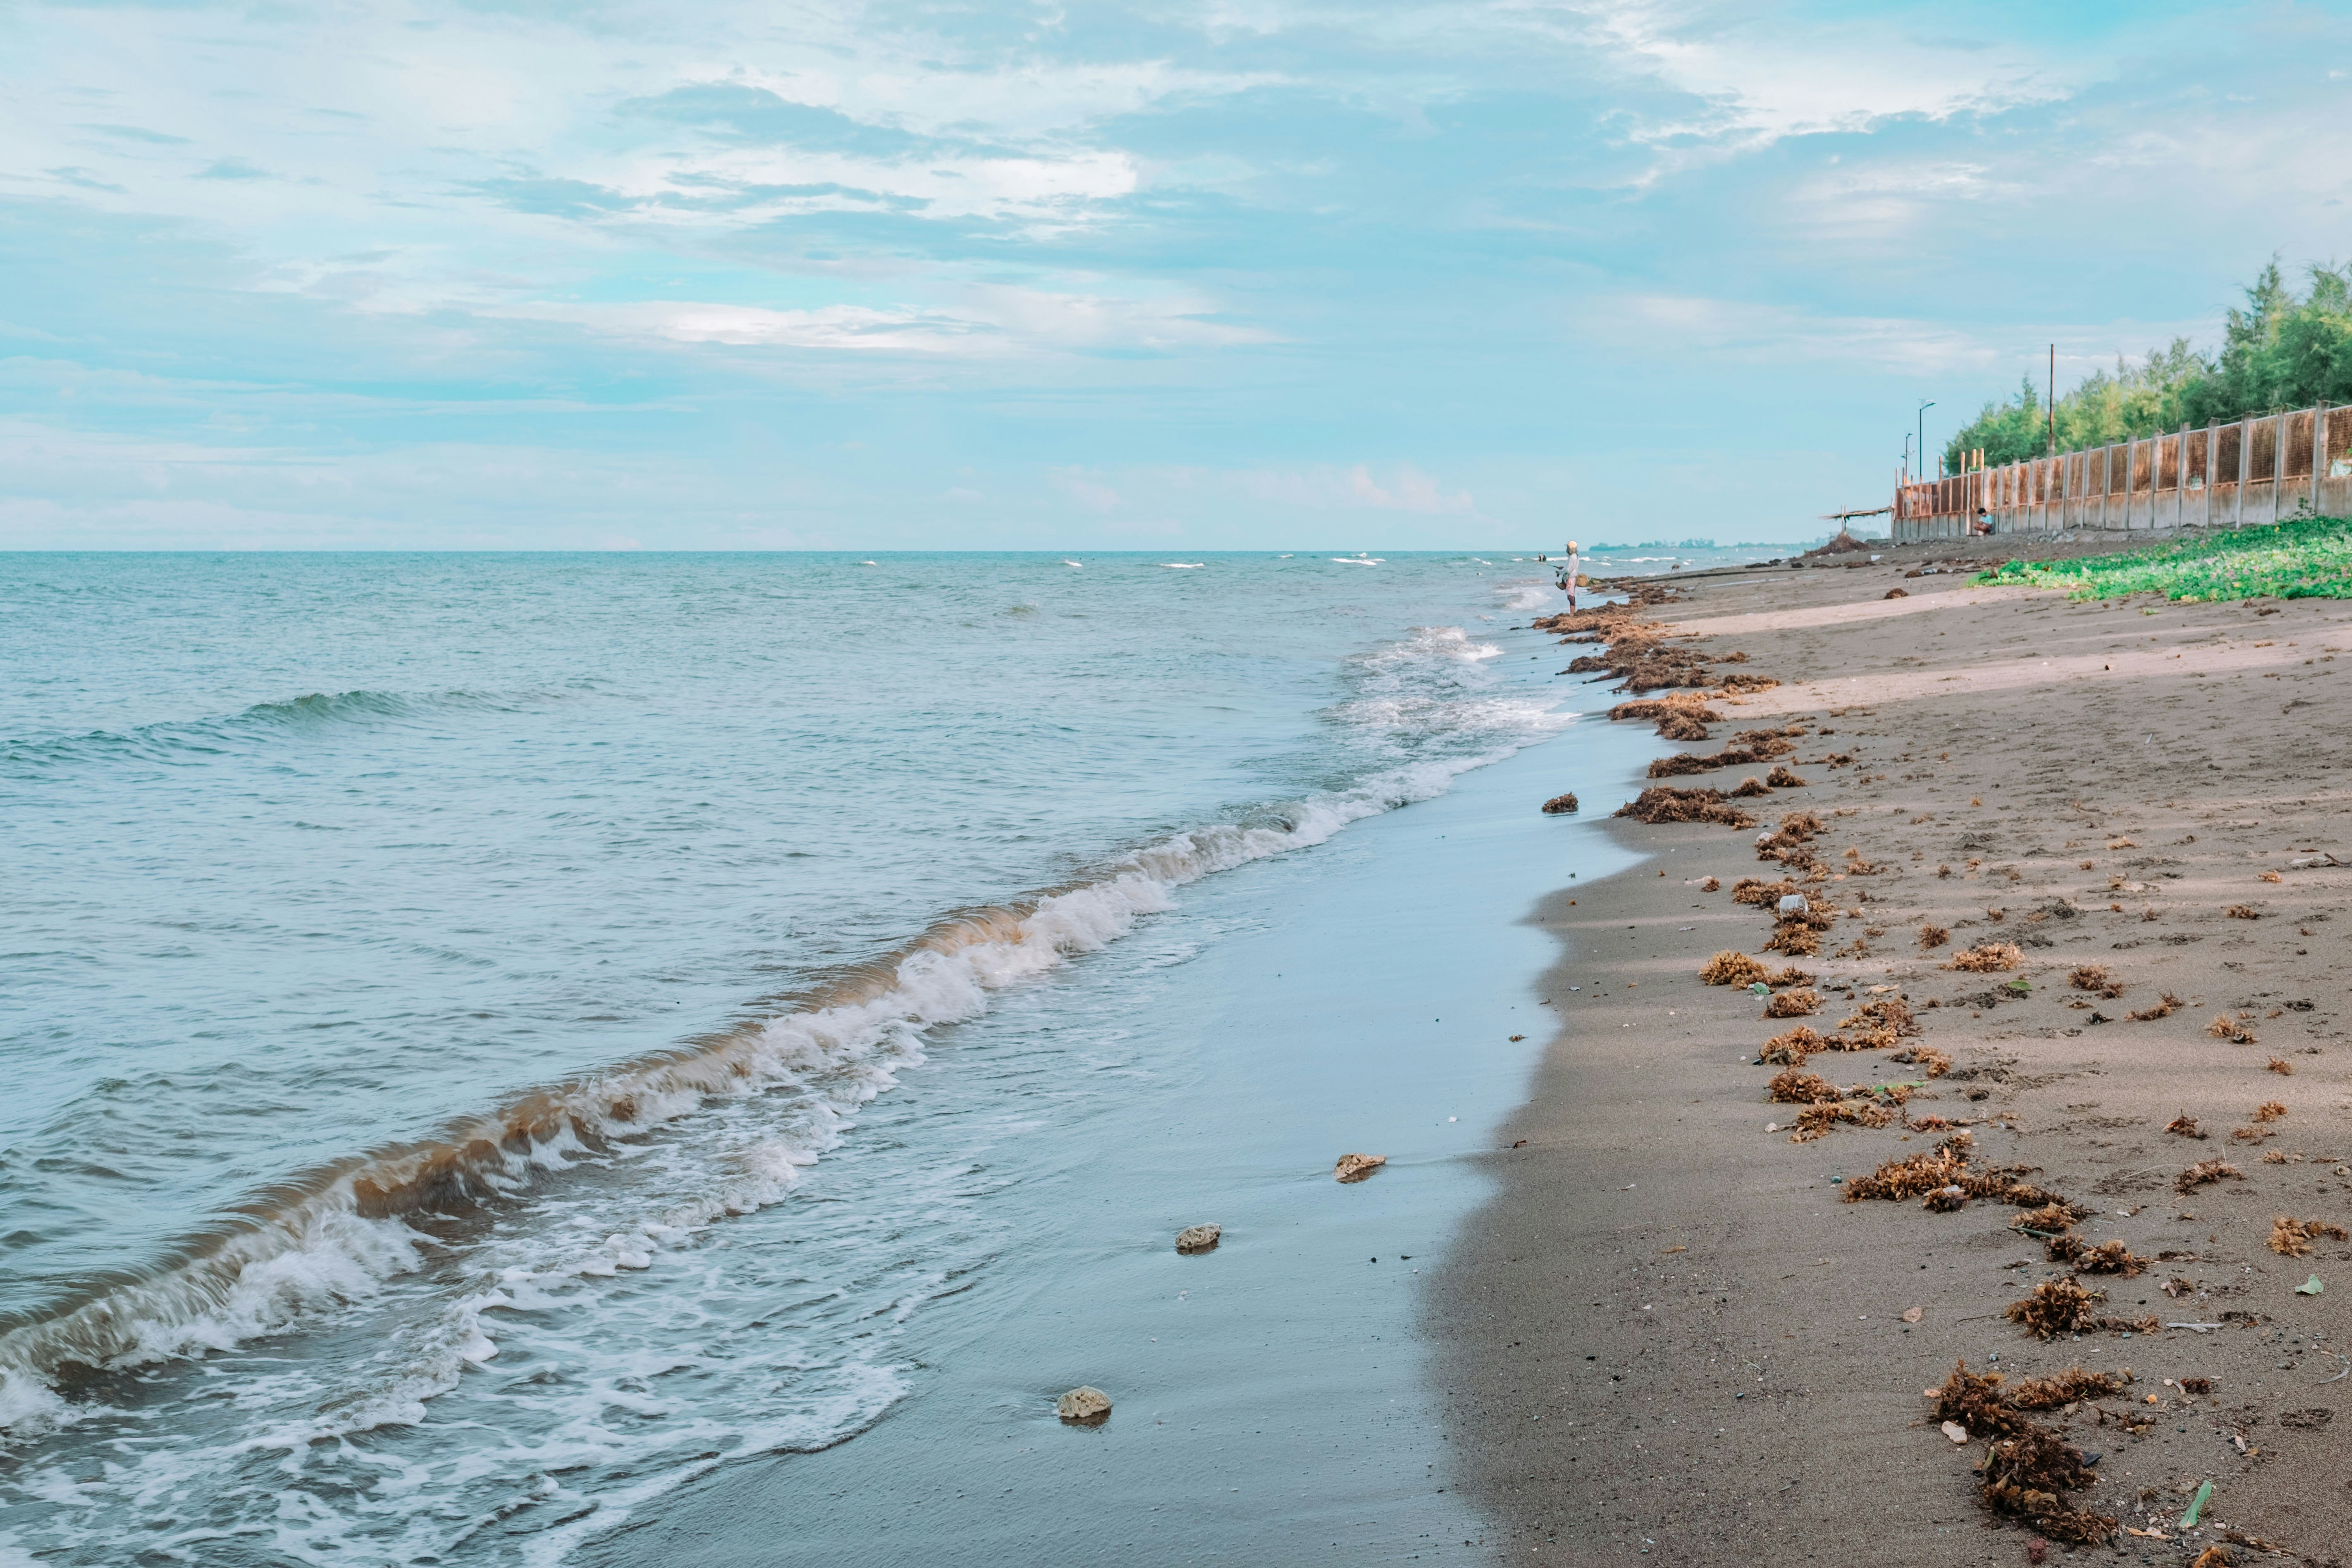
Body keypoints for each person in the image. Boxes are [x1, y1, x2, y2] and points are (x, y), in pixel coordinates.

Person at [1554, 540, 1581, 611]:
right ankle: (1573, 612)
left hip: (1571, 579)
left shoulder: (1572, 557)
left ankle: (1572, 613)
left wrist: (1559, 572)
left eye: (1568, 547)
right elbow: (1570, 568)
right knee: (1572, 595)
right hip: (1573, 578)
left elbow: (1567, 570)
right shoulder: (1576, 556)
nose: (1567, 549)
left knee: (1570, 596)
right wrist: (1562, 568)